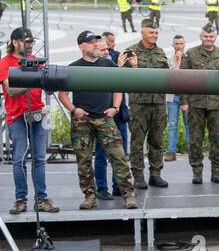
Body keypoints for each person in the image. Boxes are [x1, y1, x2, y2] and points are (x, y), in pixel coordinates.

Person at [57, 32, 138, 211]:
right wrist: (73, 110)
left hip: (104, 118)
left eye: (96, 42)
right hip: (82, 120)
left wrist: (115, 108)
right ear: (81, 46)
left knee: (119, 157)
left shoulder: (108, 64)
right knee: (84, 161)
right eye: (91, 43)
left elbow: (119, 87)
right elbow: (62, 95)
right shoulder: (73, 68)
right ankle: (89, 197)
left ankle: (128, 195)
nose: (95, 45)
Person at [1, 26, 58, 215]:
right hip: (16, 115)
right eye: (26, 42)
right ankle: (20, 199)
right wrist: (33, 81)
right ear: (15, 42)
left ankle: (41, 199)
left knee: (40, 158)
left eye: (32, 42)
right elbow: (10, 90)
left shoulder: (35, 62)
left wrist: (49, 85)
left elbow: (46, 85)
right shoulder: (5, 63)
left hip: (37, 112)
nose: (30, 46)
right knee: (19, 158)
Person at [180, 25, 219, 184]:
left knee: (217, 139)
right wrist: (184, 101)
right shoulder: (191, 54)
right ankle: (197, 171)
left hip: (217, 104)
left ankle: (216, 171)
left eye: (211, 37)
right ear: (201, 37)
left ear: (216, 37)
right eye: (205, 36)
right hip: (196, 103)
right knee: (195, 140)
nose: (208, 39)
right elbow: (182, 79)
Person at [125, 18, 170, 189]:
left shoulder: (161, 53)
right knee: (137, 141)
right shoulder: (131, 51)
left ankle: (155, 174)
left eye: (156, 32)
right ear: (142, 32)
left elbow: (167, 76)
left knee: (157, 141)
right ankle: (138, 175)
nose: (154, 35)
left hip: (158, 103)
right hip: (139, 104)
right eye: (151, 32)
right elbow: (121, 76)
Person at [92, 32, 131, 200]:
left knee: (121, 154)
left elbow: (124, 82)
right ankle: (102, 188)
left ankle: (119, 186)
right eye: (102, 49)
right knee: (101, 154)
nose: (106, 52)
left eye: (108, 48)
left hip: (119, 114)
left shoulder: (116, 58)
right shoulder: (94, 66)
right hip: (103, 116)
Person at [164, 34, 186, 161]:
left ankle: (191, 149)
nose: (179, 46)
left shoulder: (190, 58)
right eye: (176, 44)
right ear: (173, 45)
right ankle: (171, 151)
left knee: (189, 124)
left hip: (186, 97)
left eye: (181, 44)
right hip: (173, 97)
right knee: (172, 124)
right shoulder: (168, 60)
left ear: (184, 45)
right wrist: (177, 61)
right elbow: (173, 78)